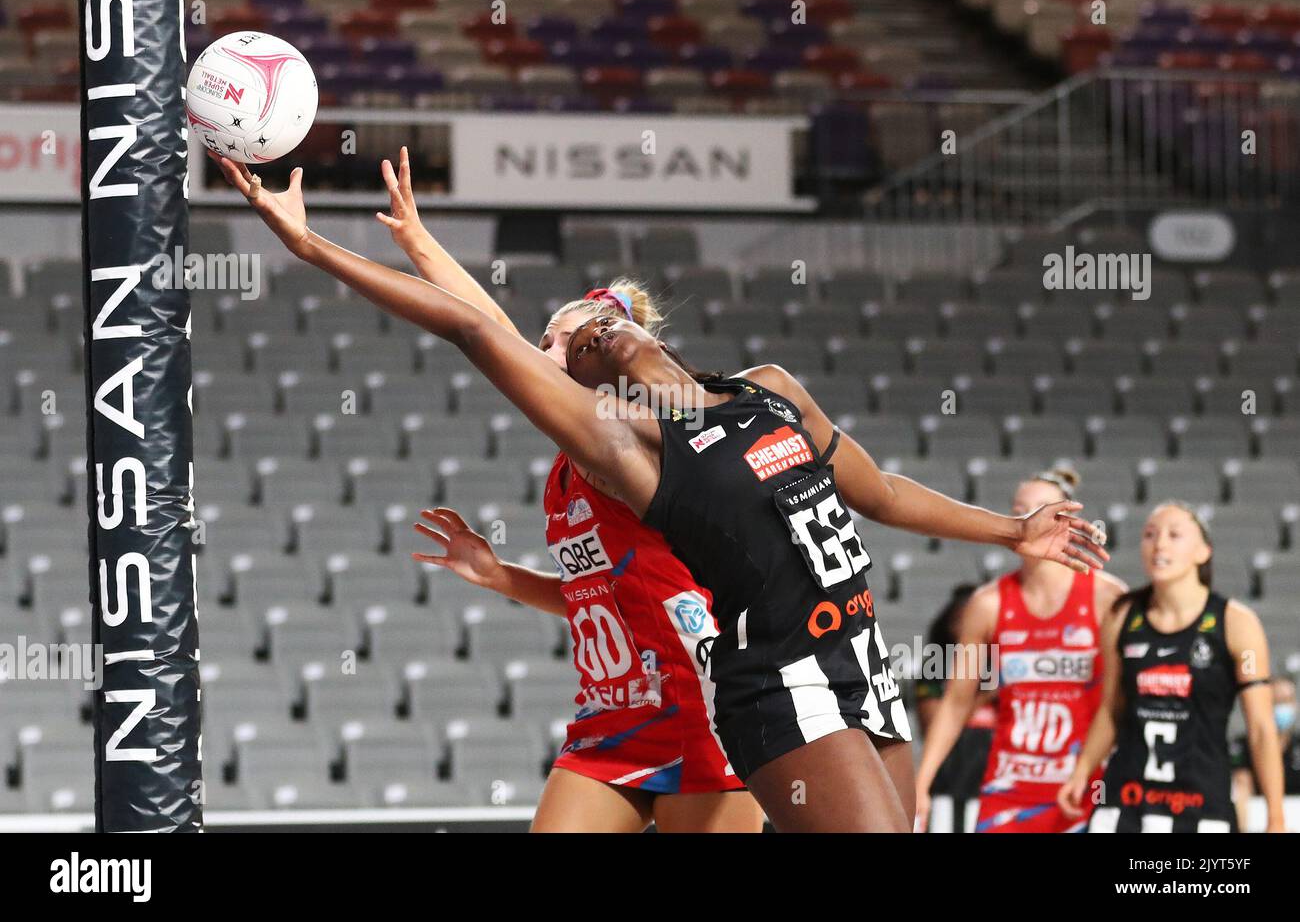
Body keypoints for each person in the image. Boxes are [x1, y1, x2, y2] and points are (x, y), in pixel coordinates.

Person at [214, 151, 1109, 831]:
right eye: (566, 338)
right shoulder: (621, 452)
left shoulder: (769, 388)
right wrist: (314, 243)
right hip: (758, 685)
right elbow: (476, 331)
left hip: (857, 665)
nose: (576, 334)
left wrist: (1009, 529)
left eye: (592, 319)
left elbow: (877, 490)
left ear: (638, 328)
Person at [385, 148, 762, 832]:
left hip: (697, 707)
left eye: (561, 346)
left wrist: (419, 244)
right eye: (545, 342)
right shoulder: (568, 468)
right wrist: (501, 575)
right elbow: (596, 596)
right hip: (609, 717)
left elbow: (488, 333)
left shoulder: (624, 446)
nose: (544, 357)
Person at [914, 468, 1128, 832]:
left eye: (1040, 508)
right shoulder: (988, 603)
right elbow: (955, 703)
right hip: (1009, 788)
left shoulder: (1107, 598)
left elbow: (1119, 701)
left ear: (1068, 520)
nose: (1030, 518)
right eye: (1020, 509)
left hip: (1086, 785)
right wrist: (922, 782)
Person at [1058, 502, 1287, 833]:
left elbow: (1262, 730)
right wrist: (1082, 772)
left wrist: (1276, 817)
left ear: (1203, 551)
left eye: (1174, 535)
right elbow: (1111, 709)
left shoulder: (1236, 623)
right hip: (1125, 802)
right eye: (1150, 534)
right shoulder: (1121, 616)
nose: (1159, 544)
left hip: (1202, 806)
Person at [914, 582, 996, 832]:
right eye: (960, 620)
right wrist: (983, 697)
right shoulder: (934, 669)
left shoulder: (1004, 665)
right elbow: (933, 725)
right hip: (949, 786)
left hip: (995, 788)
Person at [1230, 677, 1299, 830]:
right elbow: (1241, 784)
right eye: (1277, 701)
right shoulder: (1242, 746)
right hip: (1258, 822)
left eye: (1287, 700)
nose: (1282, 707)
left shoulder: (1296, 745)